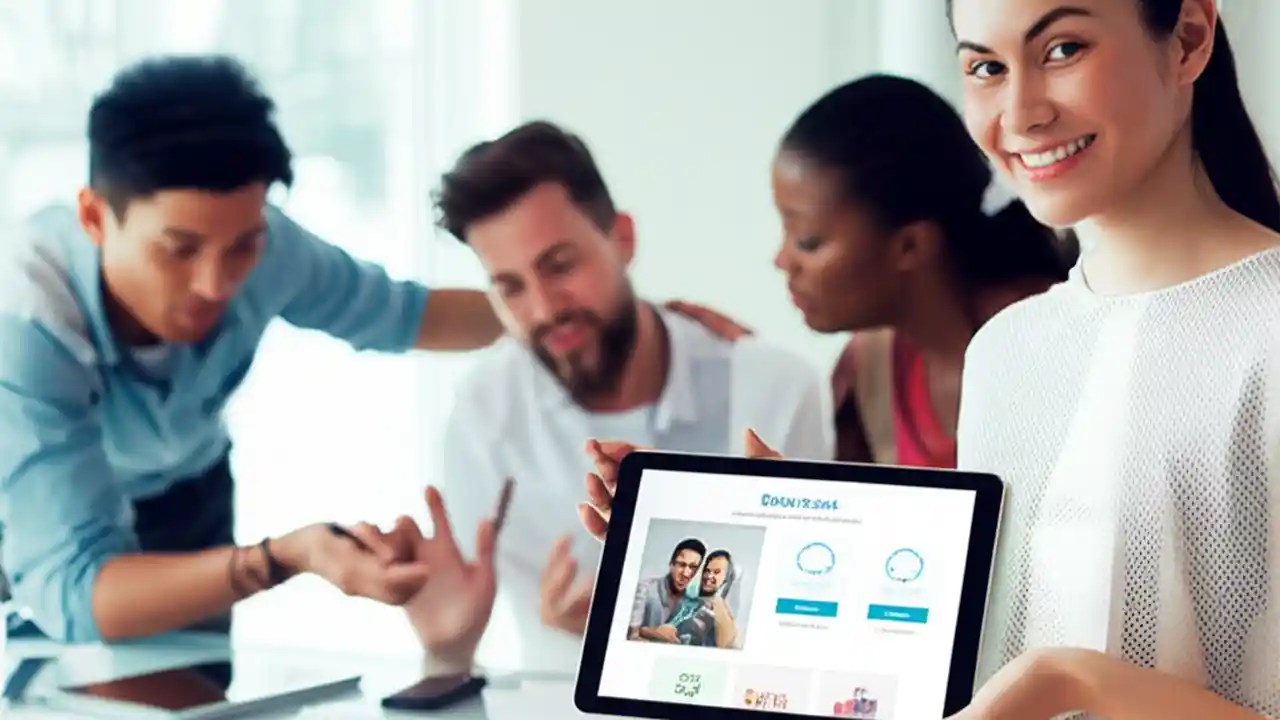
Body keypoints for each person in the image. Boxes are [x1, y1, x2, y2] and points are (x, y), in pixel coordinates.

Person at [590, 0, 1280, 717]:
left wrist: (1070, 680)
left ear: (1189, 39)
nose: (1020, 111)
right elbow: (952, 665)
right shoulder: (1008, 353)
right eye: (986, 66)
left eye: (1064, 49)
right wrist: (790, 535)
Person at [0, 55, 503, 644]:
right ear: (93, 216)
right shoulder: (27, 325)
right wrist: (284, 557)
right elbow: (78, 593)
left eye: (242, 246)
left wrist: (555, 309)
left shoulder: (268, 248)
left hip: (187, 494)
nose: (217, 283)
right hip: (34, 514)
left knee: (201, 695)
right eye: (179, 250)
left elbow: (408, 316)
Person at [401, 121, 832, 673]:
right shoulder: (484, 411)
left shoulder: (774, 389)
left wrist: (624, 633)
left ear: (622, 239)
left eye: (560, 266)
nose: (543, 308)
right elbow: (455, 654)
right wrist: (447, 649)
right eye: (510, 286)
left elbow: (809, 630)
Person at [671, 74, 1074, 467]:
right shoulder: (868, 372)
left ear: (910, 245)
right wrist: (753, 369)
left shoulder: (1053, 351)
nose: (782, 261)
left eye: (807, 241)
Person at [629, 538, 706, 643]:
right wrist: (653, 632)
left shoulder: (693, 604)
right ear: (671, 564)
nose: (686, 573)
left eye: (693, 567)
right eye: (682, 564)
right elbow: (629, 635)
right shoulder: (645, 589)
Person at [667, 549, 738, 649]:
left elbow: (726, 645)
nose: (709, 576)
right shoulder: (688, 602)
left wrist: (717, 599)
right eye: (707, 571)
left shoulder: (723, 609)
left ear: (726, 578)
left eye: (716, 572)